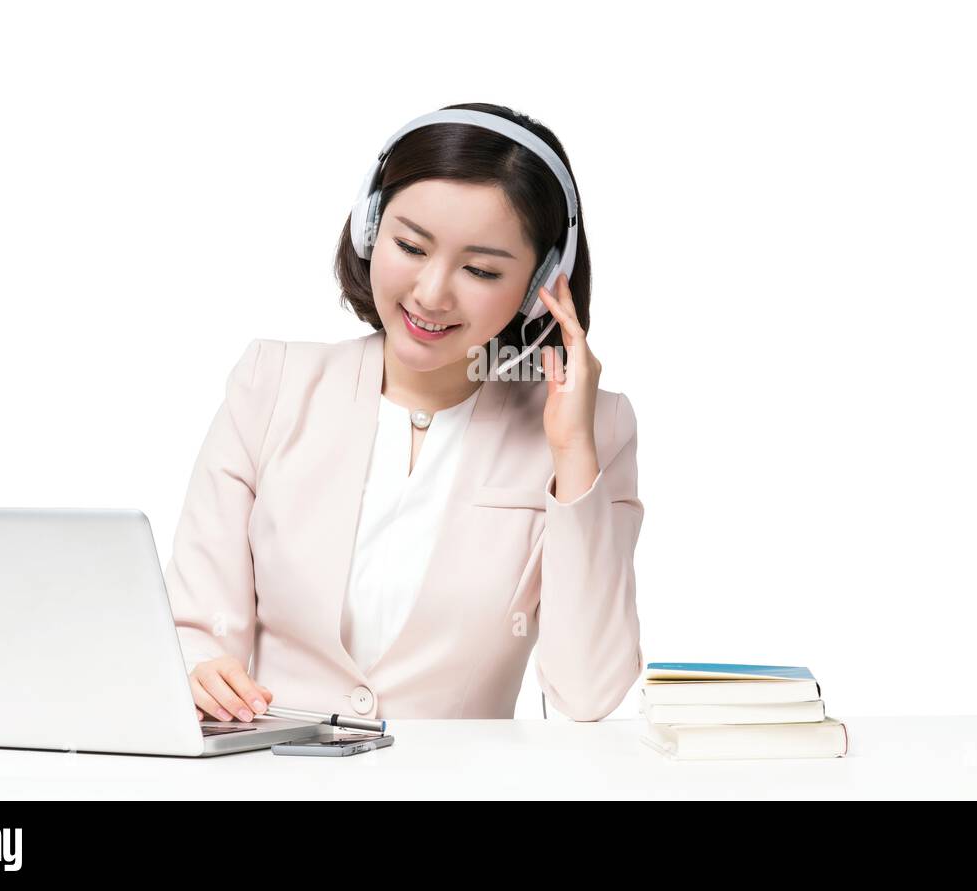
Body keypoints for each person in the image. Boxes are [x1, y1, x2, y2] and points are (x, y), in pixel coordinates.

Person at [163, 102, 644, 721]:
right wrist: (197, 668)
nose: (430, 293)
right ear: (369, 228)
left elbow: (591, 694)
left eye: (479, 269)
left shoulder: (595, 431)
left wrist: (574, 455)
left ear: (539, 286)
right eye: (411, 246)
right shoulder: (272, 385)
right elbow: (193, 630)